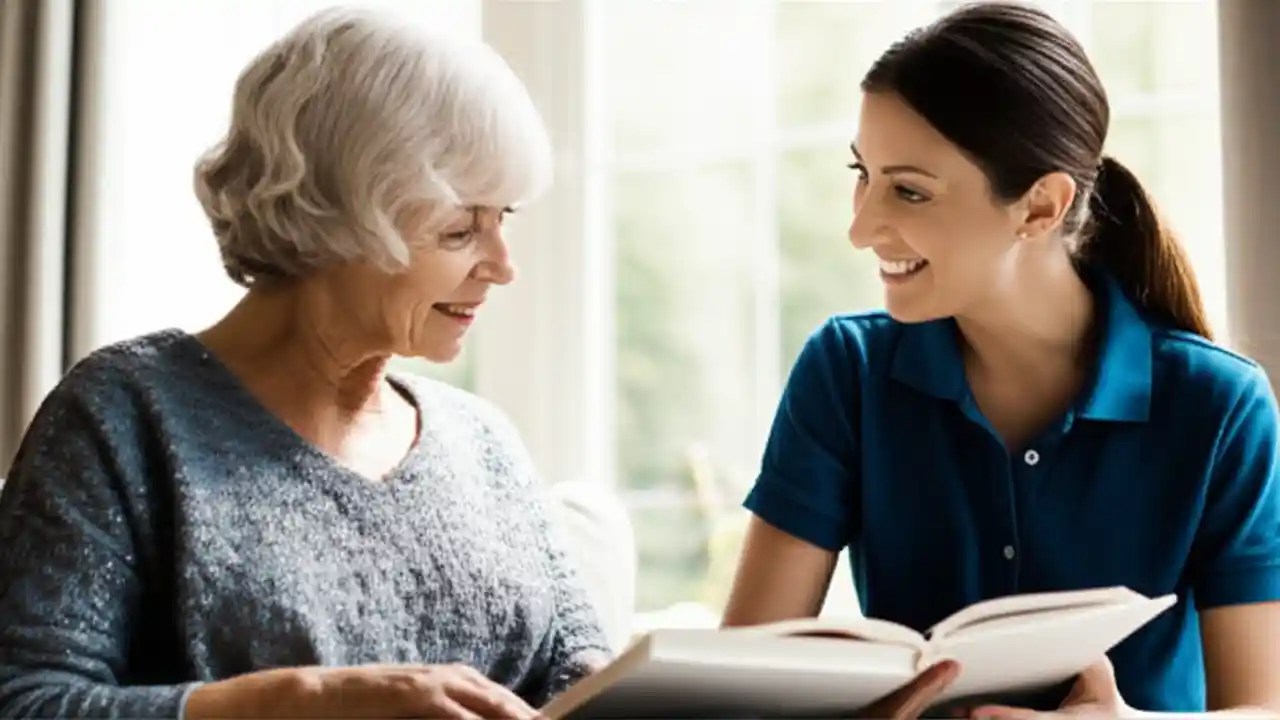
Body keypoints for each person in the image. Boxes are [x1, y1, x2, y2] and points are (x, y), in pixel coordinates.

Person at [0, 8, 608, 719]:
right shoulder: (125, 416)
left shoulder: (485, 446)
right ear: (338, 213)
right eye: (459, 228)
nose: (504, 267)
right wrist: (306, 700)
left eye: (504, 217)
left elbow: (584, 673)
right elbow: (24, 702)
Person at [722, 2, 1280, 718]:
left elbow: (1263, 708)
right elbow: (740, 690)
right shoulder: (847, 371)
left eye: (910, 190)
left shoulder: (1219, 405)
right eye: (863, 174)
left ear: (1040, 207)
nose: (860, 228)